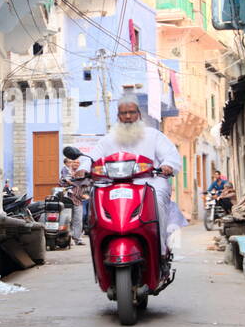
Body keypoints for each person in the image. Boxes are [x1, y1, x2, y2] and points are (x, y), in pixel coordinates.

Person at [74, 95, 186, 254]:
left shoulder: (153, 135)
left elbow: (170, 154)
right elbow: (91, 157)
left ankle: (159, 249)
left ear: (139, 114)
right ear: (118, 116)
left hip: (150, 182)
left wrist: (167, 165)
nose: (128, 116)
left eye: (132, 112)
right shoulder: (108, 139)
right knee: (95, 201)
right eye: (123, 113)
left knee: (158, 198)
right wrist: (83, 168)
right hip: (114, 186)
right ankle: (102, 248)